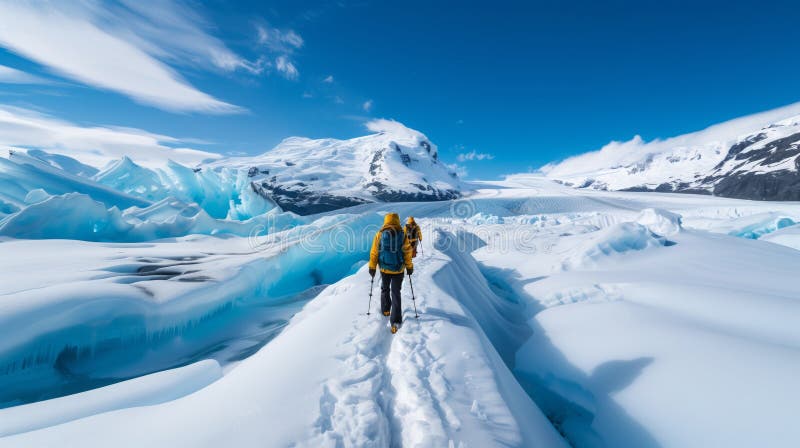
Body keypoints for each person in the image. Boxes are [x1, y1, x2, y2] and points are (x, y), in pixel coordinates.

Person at [368, 213, 414, 333]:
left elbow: (374, 252)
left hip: (384, 269)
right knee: (395, 292)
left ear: (386, 221)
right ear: (397, 221)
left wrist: (372, 267)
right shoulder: (402, 235)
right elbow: (407, 253)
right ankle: (396, 321)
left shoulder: (379, 234)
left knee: (385, 289)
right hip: (398, 270)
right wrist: (409, 267)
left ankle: (385, 309)